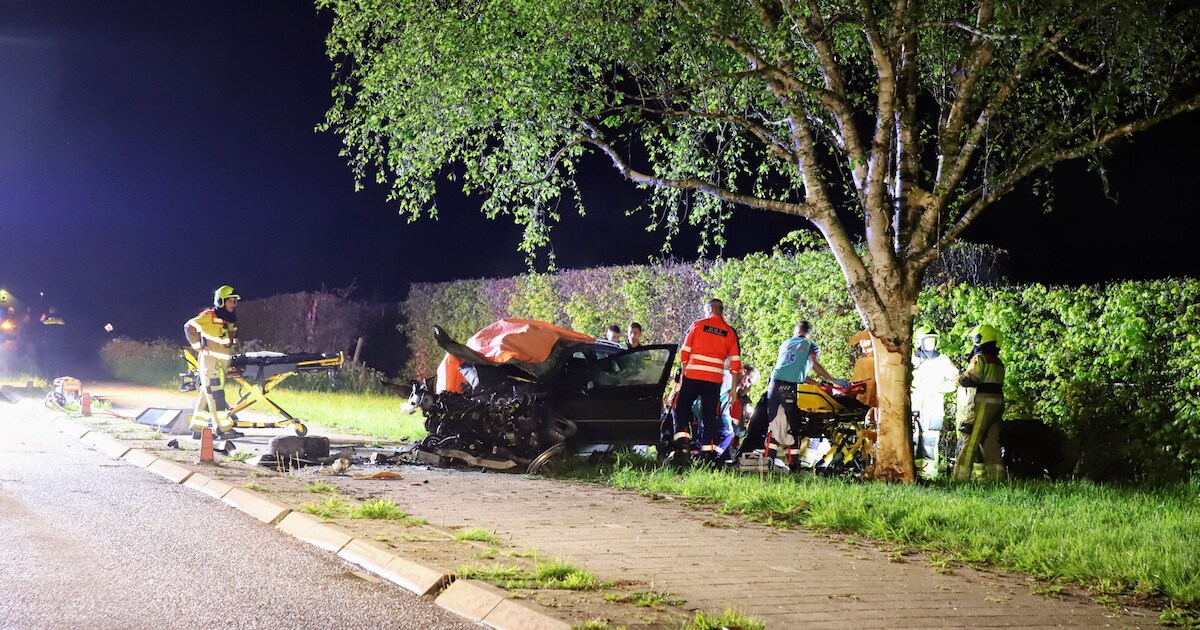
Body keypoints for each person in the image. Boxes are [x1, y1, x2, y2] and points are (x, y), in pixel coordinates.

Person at [758, 321, 848, 469]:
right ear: (808, 332)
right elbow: (813, 364)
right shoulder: (810, 344)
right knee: (795, 426)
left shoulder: (786, 343)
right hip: (789, 388)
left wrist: (816, 384)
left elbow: (796, 372)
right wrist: (833, 380)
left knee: (774, 424)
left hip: (773, 385)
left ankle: (768, 463)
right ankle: (794, 464)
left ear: (796, 330)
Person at [671, 298, 741, 464]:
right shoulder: (729, 332)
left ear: (709, 309)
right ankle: (708, 456)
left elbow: (684, 352)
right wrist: (733, 389)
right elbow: (736, 364)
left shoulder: (698, 325)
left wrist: (684, 374)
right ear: (721, 310)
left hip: (693, 377)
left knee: (681, 408)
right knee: (710, 416)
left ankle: (683, 446)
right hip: (714, 381)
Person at [185, 285, 244, 440]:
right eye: (229, 301)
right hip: (211, 363)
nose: (232, 304)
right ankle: (223, 429)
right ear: (220, 301)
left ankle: (198, 429)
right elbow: (189, 326)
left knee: (207, 394)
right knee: (217, 394)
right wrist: (198, 347)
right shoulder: (209, 317)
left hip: (220, 364)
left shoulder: (229, 320)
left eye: (234, 301)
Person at [952, 324, 1006, 481]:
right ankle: (997, 479)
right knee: (991, 444)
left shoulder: (980, 358)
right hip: (998, 405)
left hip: (983, 404)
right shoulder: (997, 361)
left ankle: (960, 478)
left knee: (971, 440)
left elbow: (971, 378)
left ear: (979, 338)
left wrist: (957, 379)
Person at [911, 327, 959, 477]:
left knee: (930, 442)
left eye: (933, 340)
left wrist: (941, 388)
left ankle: (929, 475)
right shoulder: (911, 359)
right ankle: (913, 473)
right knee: (913, 440)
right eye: (928, 340)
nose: (931, 344)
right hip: (913, 406)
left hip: (933, 407)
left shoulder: (942, 360)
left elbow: (956, 379)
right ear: (919, 342)